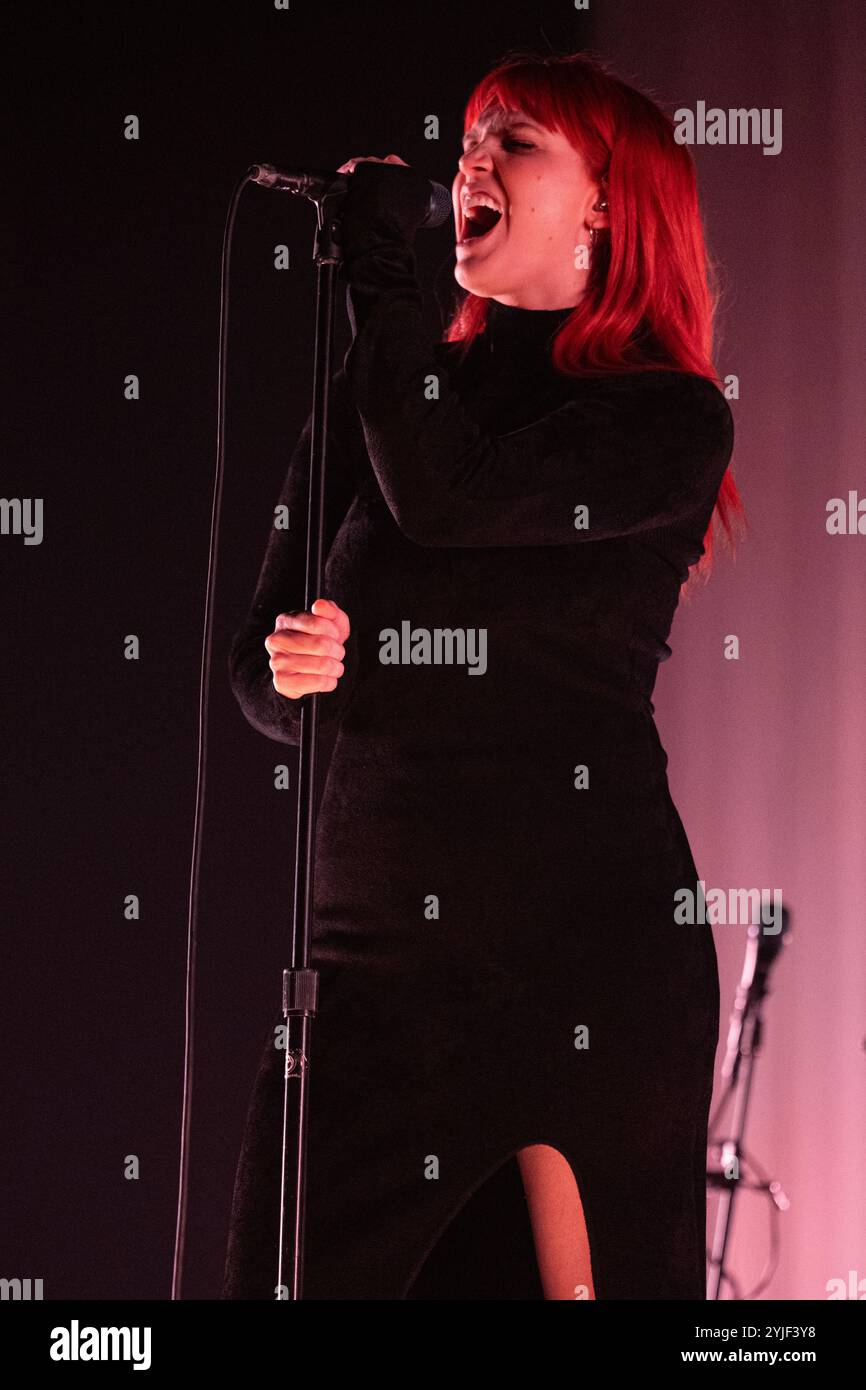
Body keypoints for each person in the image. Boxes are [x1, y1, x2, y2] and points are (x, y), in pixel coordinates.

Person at [221, 49, 744, 1301]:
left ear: (606, 204)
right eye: (467, 139)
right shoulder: (372, 399)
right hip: (373, 956)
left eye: (511, 141)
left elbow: (450, 496)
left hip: (581, 941)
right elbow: (256, 672)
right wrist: (295, 673)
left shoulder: (665, 417)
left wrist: (380, 279)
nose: (468, 161)